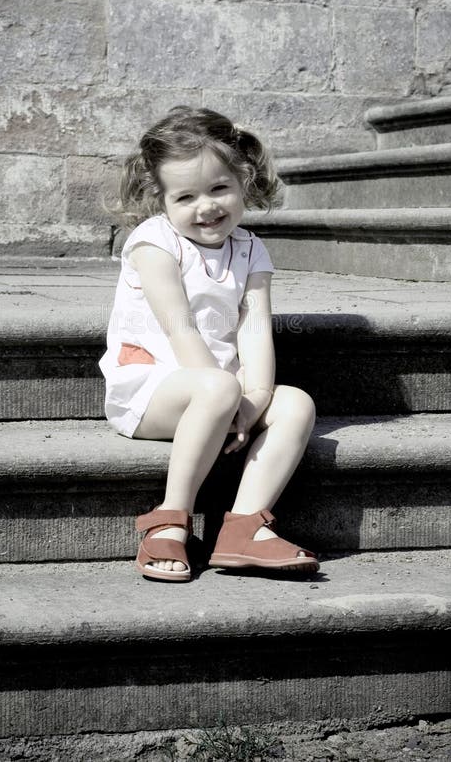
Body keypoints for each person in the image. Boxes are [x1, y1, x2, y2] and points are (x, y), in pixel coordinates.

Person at [100, 106, 318, 582]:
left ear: (243, 180)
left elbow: (255, 327)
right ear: (161, 200)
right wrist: (227, 394)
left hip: (223, 393)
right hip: (153, 390)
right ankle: (171, 519)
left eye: (219, 188)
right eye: (186, 196)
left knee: (296, 403)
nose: (207, 207)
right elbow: (181, 328)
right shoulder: (154, 243)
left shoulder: (250, 249)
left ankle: (242, 526)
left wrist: (255, 397)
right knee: (217, 387)